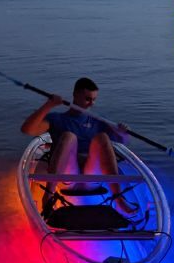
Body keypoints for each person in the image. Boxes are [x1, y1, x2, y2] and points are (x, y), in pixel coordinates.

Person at [20, 77, 139, 216]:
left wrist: (123, 132)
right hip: (67, 176)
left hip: (92, 178)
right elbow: (27, 130)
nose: (91, 104)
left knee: (102, 138)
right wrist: (49, 105)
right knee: (69, 137)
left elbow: (123, 141)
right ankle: (48, 196)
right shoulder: (57, 119)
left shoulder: (99, 121)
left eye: (94, 99)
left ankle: (119, 199)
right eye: (87, 99)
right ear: (75, 95)